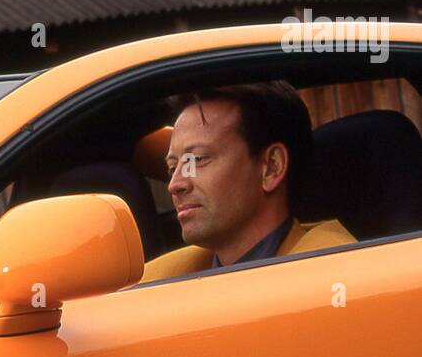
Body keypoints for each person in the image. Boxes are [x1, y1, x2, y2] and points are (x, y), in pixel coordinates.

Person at [140, 81, 355, 281]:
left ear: (272, 167)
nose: (174, 184)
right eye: (171, 167)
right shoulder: (161, 281)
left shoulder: (335, 276)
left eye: (197, 160)